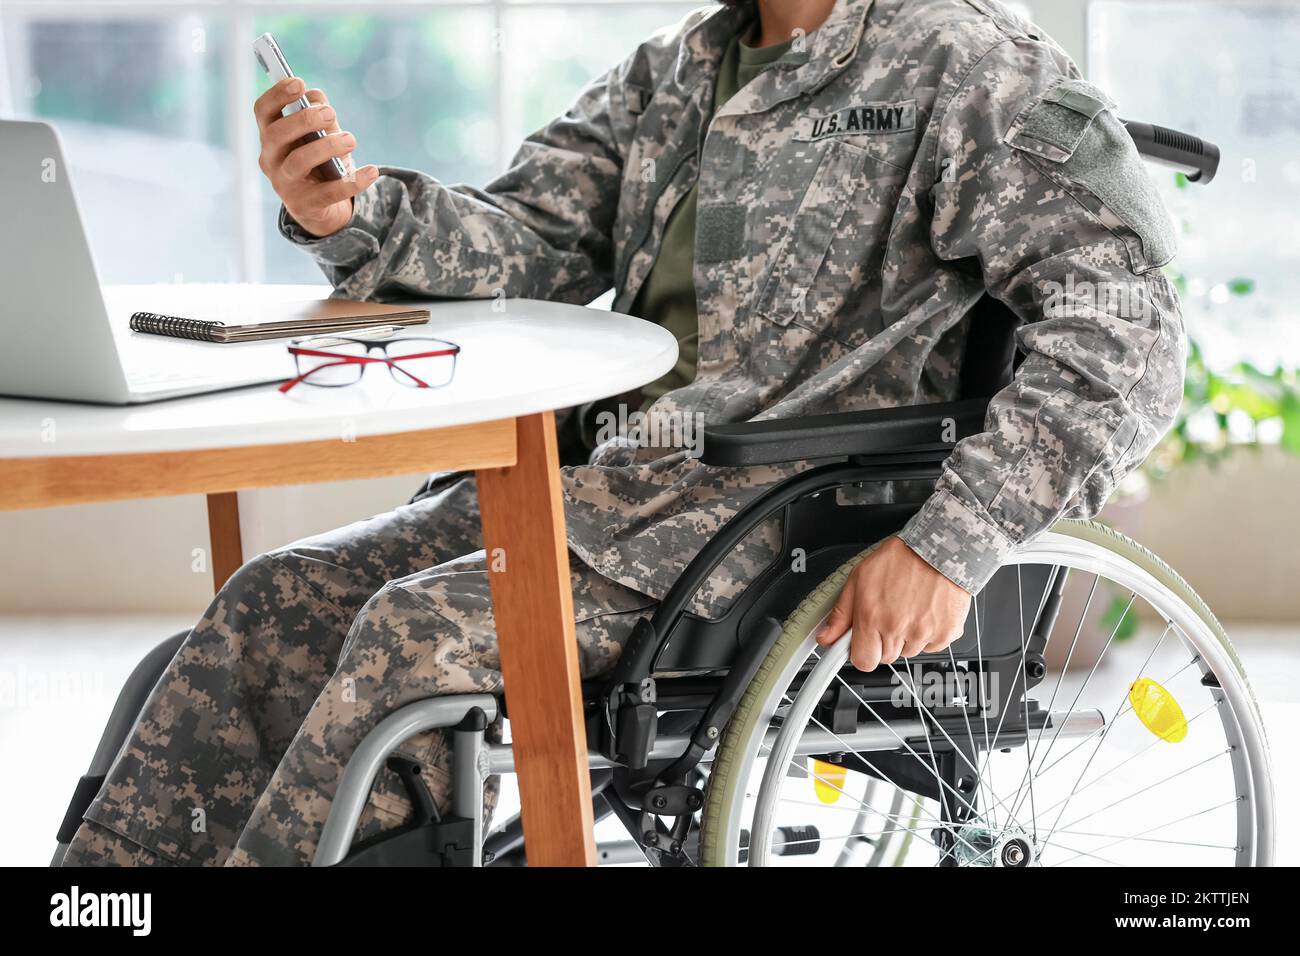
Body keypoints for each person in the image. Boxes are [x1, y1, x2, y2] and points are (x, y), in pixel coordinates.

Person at [64, 0, 1184, 866]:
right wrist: (350, 212)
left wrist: (955, 540)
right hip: (607, 489)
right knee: (272, 596)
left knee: (416, 640)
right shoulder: (677, 73)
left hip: (777, 519)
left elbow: (1127, 327)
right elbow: (520, 238)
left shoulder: (971, 65)